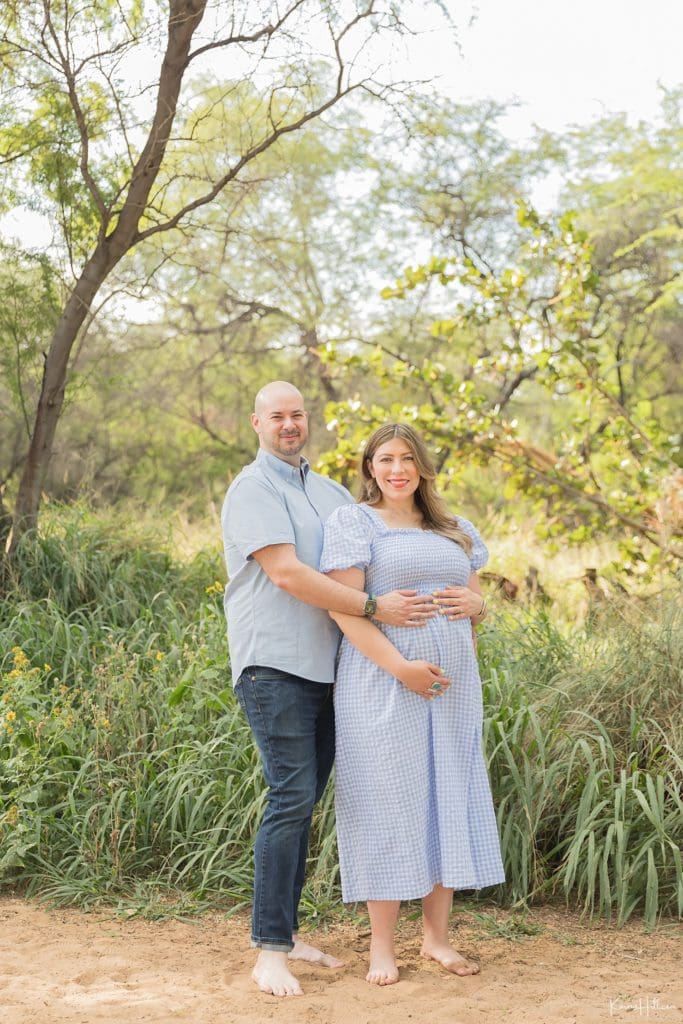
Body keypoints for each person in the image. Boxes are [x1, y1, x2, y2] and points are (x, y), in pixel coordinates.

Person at [221, 383, 448, 997]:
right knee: (290, 795)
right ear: (257, 422)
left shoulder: (329, 494)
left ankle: (287, 933)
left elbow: (376, 556)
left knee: (308, 797)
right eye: (277, 416)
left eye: (297, 414)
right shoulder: (253, 490)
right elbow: (289, 574)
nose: (289, 425)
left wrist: (464, 601)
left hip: (336, 668)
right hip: (275, 663)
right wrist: (375, 606)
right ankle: (269, 949)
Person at [319, 422, 506, 986]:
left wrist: (476, 606)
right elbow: (344, 608)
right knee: (386, 798)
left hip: (451, 687)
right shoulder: (355, 522)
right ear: (369, 468)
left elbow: (475, 605)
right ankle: (382, 947)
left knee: (447, 792)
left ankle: (437, 939)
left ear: (422, 466)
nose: (396, 469)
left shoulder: (455, 528)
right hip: (381, 682)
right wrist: (401, 666)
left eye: (406, 459)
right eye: (384, 460)